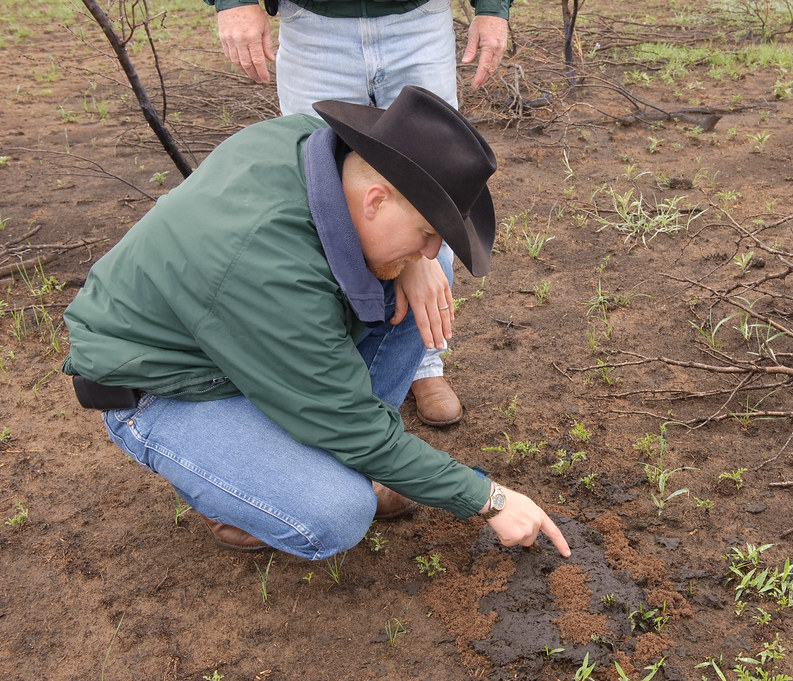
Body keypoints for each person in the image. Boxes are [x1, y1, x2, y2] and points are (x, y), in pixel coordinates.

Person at [62, 86, 570, 560]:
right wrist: (492, 499)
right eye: (428, 231)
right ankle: (229, 497)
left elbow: (386, 250)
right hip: (162, 385)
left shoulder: (318, 149)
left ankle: (322, 448)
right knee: (335, 512)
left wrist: (415, 258)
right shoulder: (267, 267)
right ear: (375, 200)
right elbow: (351, 421)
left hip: (238, 338)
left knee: (426, 272)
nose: (434, 246)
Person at [202, 0, 511, 427]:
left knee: (438, 186)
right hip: (313, 21)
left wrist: (493, 6)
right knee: (320, 196)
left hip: (418, 16)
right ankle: (333, 377)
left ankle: (421, 363)